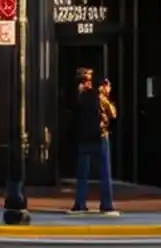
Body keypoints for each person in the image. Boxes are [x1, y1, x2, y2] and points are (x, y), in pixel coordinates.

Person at [69, 69, 119, 215]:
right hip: (100, 136)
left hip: (83, 138)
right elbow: (113, 114)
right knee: (105, 172)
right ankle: (106, 204)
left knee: (82, 173)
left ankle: (79, 204)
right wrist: (106, 95)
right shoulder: (100, 97)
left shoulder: (79, 96)